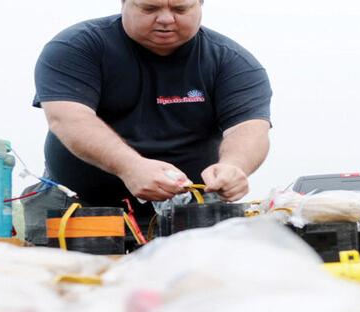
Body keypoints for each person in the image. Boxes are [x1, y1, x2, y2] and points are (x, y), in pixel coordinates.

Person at [24, 0, 272, 243]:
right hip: (76, 208)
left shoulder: (232, 61)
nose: (166, 19)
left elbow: (249, 128)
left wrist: (234, 166)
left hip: (190, 215)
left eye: (180, 9)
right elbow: (69, 119)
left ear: (200, 6)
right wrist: (130, 167)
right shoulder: (77, 46)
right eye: (150, 8)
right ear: (124, 4)